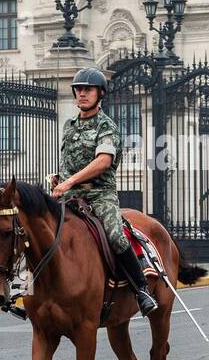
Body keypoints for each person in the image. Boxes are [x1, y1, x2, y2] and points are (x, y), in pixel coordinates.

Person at [50, 67, 158, 315]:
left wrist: (69, 182)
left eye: (88, 89)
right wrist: (60, 180)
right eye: (78, 89)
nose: (82, 94)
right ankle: (28, 287)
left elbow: (103, 161)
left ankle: (141, 289)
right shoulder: (70, 125)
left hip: (99, 195)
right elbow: (69, 162)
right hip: (68, 196)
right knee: (37, 229)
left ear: (100, 94)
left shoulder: (107, 126)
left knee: (115, 235)